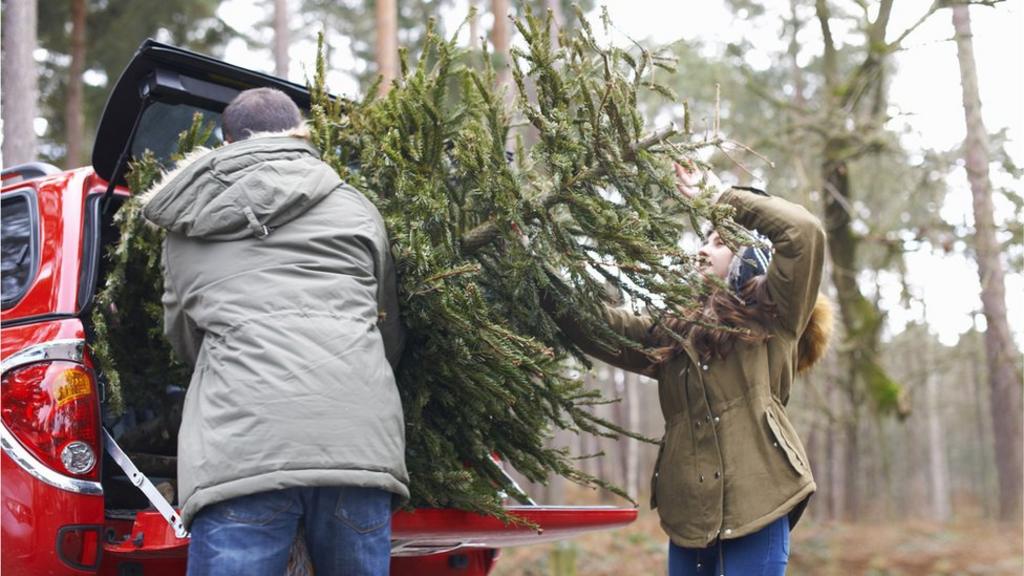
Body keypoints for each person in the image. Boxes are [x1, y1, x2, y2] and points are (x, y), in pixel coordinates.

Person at [141, 87, 407, 576]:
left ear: (226, 143)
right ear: (300, 134)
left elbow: (184, 338)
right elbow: (384, 324)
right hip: (357, 442)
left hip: (242, 451)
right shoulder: (356, 208)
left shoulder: (186, 228)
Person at [549, 163, 832, 575]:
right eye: (703, 241)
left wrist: (717, 199)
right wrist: (537, 276)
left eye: (718, 243)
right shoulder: (674, 331)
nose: (701, 250)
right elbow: (603, 327)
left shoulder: (776, 312)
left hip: (762, 498)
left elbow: (803, 231)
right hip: (687, 516)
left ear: (748, 258)